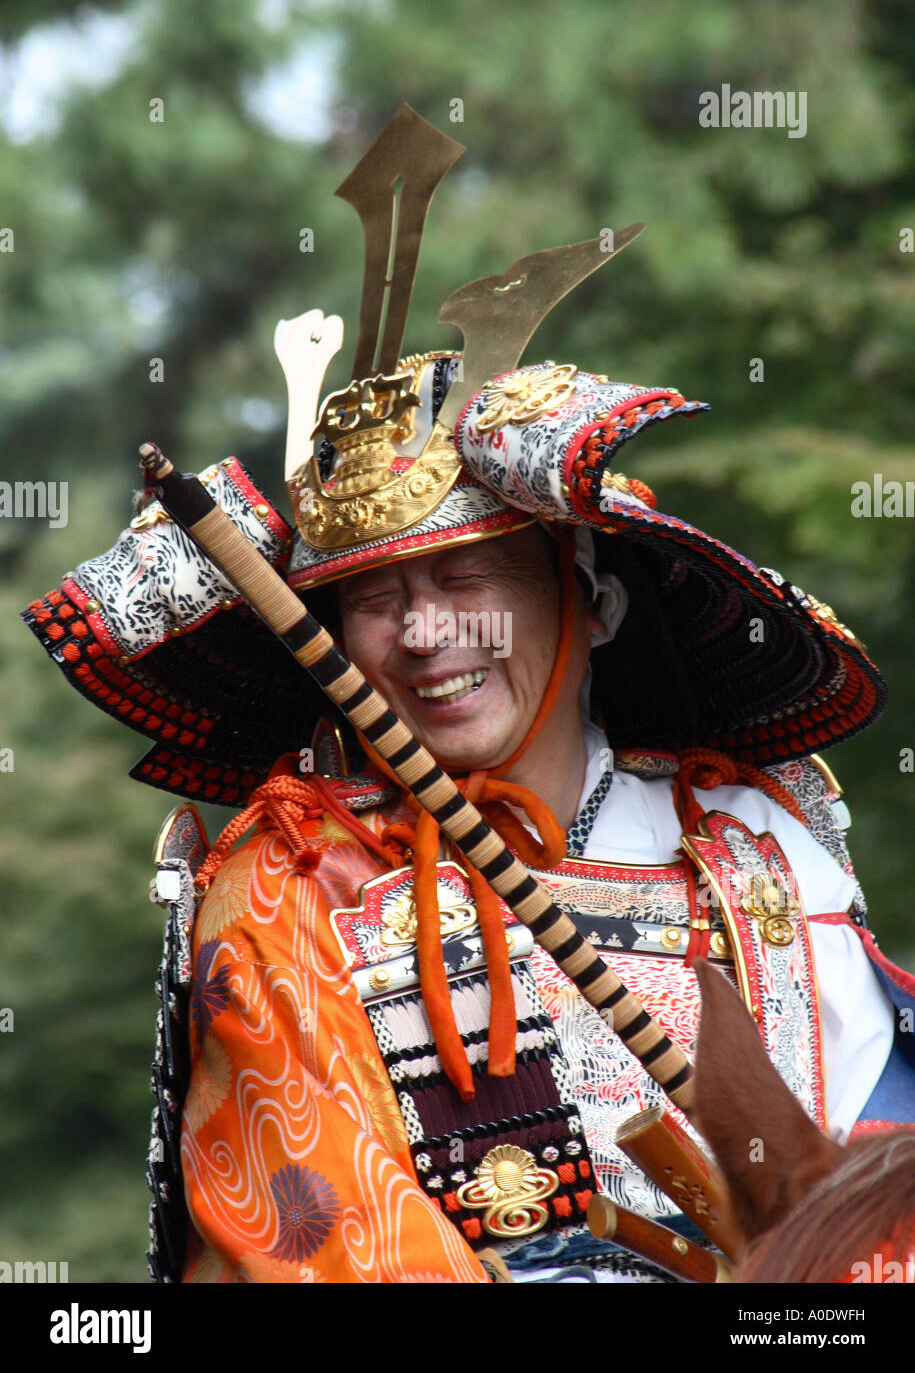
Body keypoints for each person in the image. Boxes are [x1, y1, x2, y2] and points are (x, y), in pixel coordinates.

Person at [23, 108, 915, 1284]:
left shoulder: (756, 854)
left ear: (591, 601)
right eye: (375, 600)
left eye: (466, 577)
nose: (425, 633)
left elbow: (884, 1194)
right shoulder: (294, 886)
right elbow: (314, 1240)